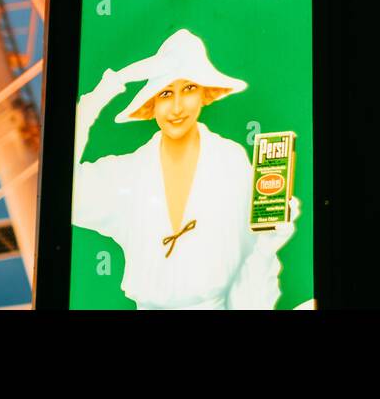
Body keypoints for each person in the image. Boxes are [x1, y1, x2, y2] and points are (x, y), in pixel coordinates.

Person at [73, 28, 297, 309]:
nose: (177, 107)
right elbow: (65, 192)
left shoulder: (229, 160)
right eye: (166, 93)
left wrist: (270, 238)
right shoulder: (127, 175)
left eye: (189, 88)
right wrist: (109, 86)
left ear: (204, 93)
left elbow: (251, 260)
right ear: (151, 104)